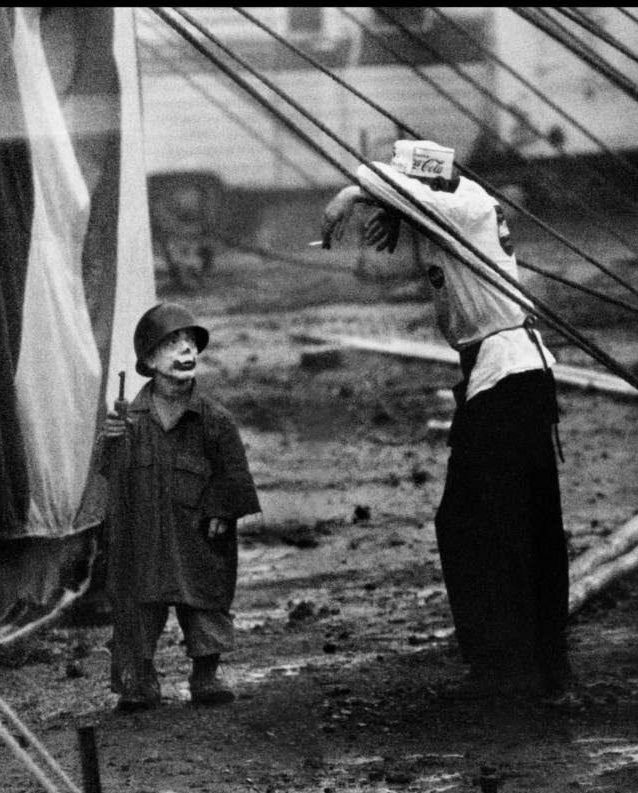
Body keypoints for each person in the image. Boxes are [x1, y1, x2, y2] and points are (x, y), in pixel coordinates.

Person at [321, 140, 571, 700]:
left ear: (433, 185)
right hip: (505, 376)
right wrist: (388, 211)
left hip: (508, 375)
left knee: (475, 523)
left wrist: (351, 195)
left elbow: (393, 183)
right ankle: (535, 665)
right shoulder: (453, 216)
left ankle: (508, 666)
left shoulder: (465, 209)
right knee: (519, 522)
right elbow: (405, 200)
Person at [100, 302, 261, 711]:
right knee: (138, 604)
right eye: (173, 343)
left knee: (205, 599)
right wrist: (111, 440)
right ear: (150, 359)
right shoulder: (129, 419)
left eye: (190, 341)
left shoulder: (214, 419)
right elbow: (109, 475)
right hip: (145, 534)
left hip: (197, 533)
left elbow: (234, 473)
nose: (186, 350)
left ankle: (206, 675)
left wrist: (223, 511)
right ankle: (140, 680)